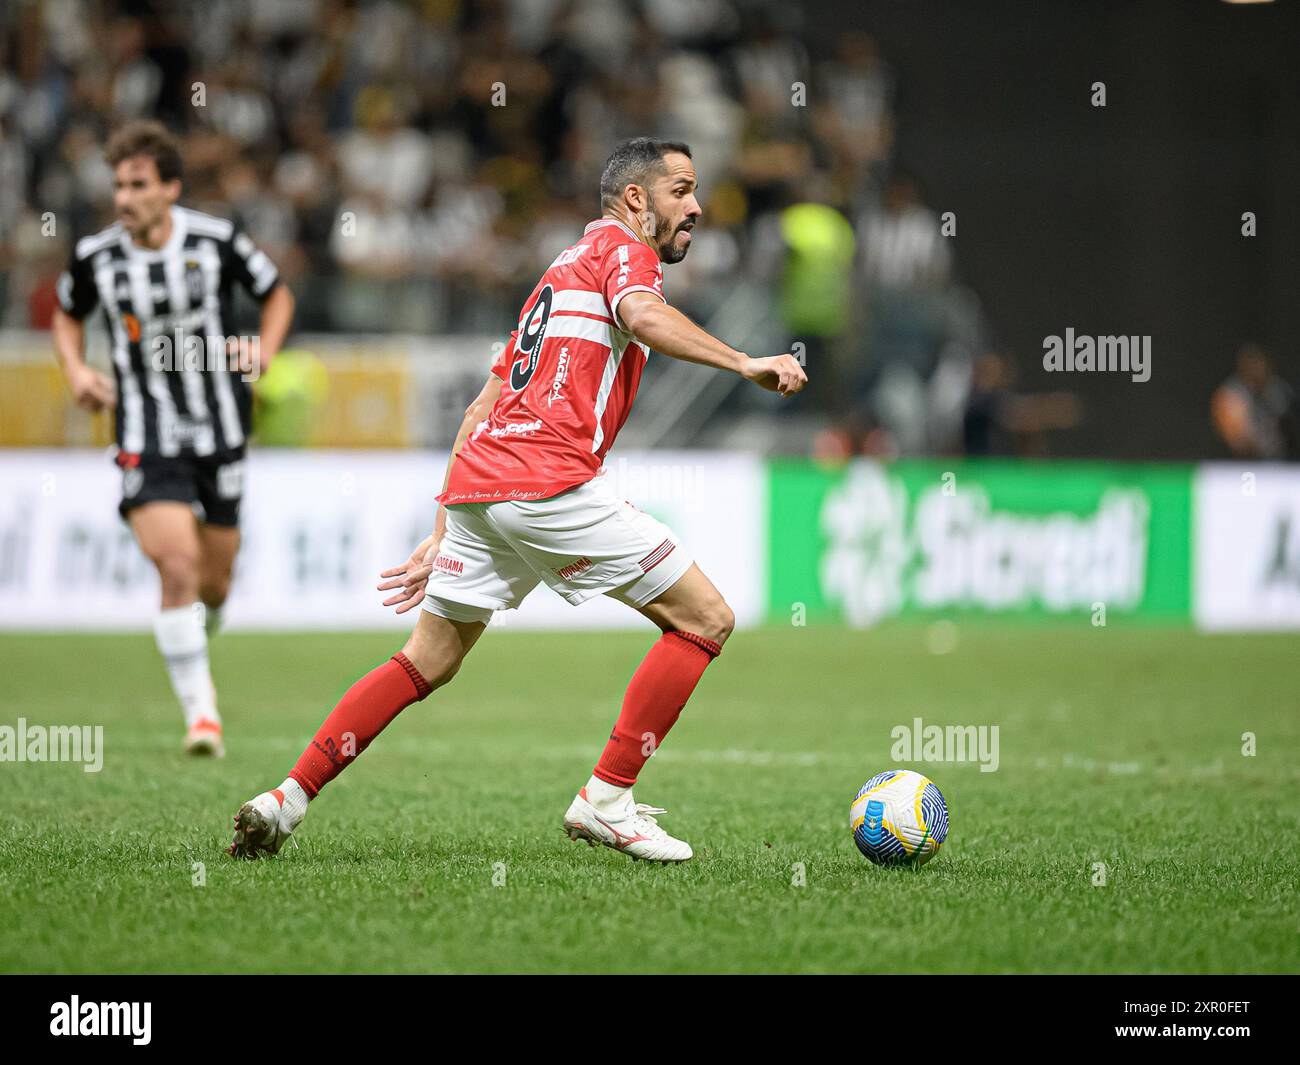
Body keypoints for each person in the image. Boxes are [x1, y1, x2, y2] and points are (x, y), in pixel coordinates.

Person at [228, 137, 806, 863]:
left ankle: (287, 798)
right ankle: (607, 798)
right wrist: (743, 360)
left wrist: (446, 525)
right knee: (705, 619)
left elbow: (481, 406)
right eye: (681, 190)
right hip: (548, 480)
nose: (695, 206)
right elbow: (647, 317)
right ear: (635, 199)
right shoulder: (626, 256)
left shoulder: (559, 272)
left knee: (426, 660)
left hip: (483, 482)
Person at [51, 121, 295, 757]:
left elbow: (277, 295)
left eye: (138, 185)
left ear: (170, 189)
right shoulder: (96, 257)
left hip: (221, 432)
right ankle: (202, 717)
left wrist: (263, 352)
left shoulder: (216, 241)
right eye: (118, 186)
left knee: (215, 583)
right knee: (178, 566)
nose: (124, 198)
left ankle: (199, 635)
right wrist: (77, 370)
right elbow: (64, 313)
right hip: (144, 433)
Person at [1211, 343, 1297, 460]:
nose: (1257, 368)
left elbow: (1289, 428)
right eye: (1252, 364)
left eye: (1260, 363)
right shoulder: (1232, 395)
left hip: (1279, 459)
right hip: (1240, 461)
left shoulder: (1278, 389)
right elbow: (1233, 437)